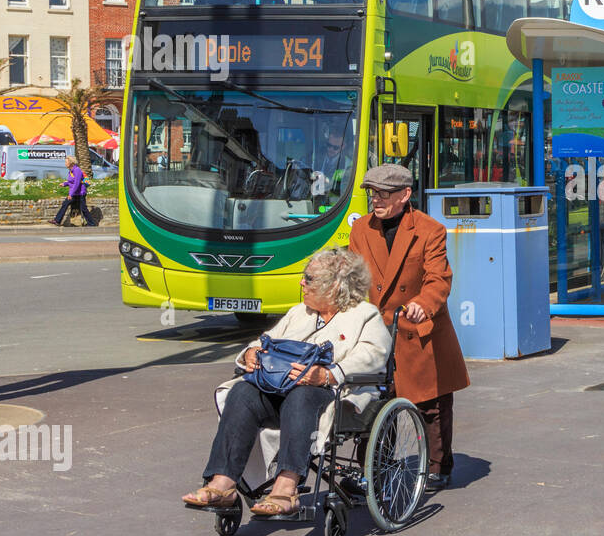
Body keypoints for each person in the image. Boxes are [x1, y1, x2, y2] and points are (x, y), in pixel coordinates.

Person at [182, 248, 392, 514]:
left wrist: (328, 374)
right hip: (279, 389)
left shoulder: (365, 314)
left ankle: (286, 488)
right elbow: (266, 340)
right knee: (242, 392)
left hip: (333, 394)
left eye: (310, 278)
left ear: (337, 284)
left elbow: (374, 355)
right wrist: (250, 353)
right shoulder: (298, 312)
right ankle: (222, 483)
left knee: (301, 396)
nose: (302, 283)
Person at [349, 164, 469, 492]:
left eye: (384, 194)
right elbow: (355, 277)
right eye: (373, 193)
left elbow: (438, 278)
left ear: (405, 195)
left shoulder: (430, 230)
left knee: (432, 403)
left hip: (418, 325)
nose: (376, 200)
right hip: (377, 329)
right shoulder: (360, 230)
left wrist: (423, 303)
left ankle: (438, 465)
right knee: (375, 401)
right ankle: (372, 468)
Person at [50, 156, 97, 227]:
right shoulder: (71, 171)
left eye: (66, 162)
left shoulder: (77, 170)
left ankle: (92, 223)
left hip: (80, 193)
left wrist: (71, 194)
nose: (65, 163)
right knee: (65, 204)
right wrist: (65, 184)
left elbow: (77, 184)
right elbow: (71, 182)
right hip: (74, 193)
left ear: (71, 163)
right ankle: (57, 220)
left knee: (83, 208)